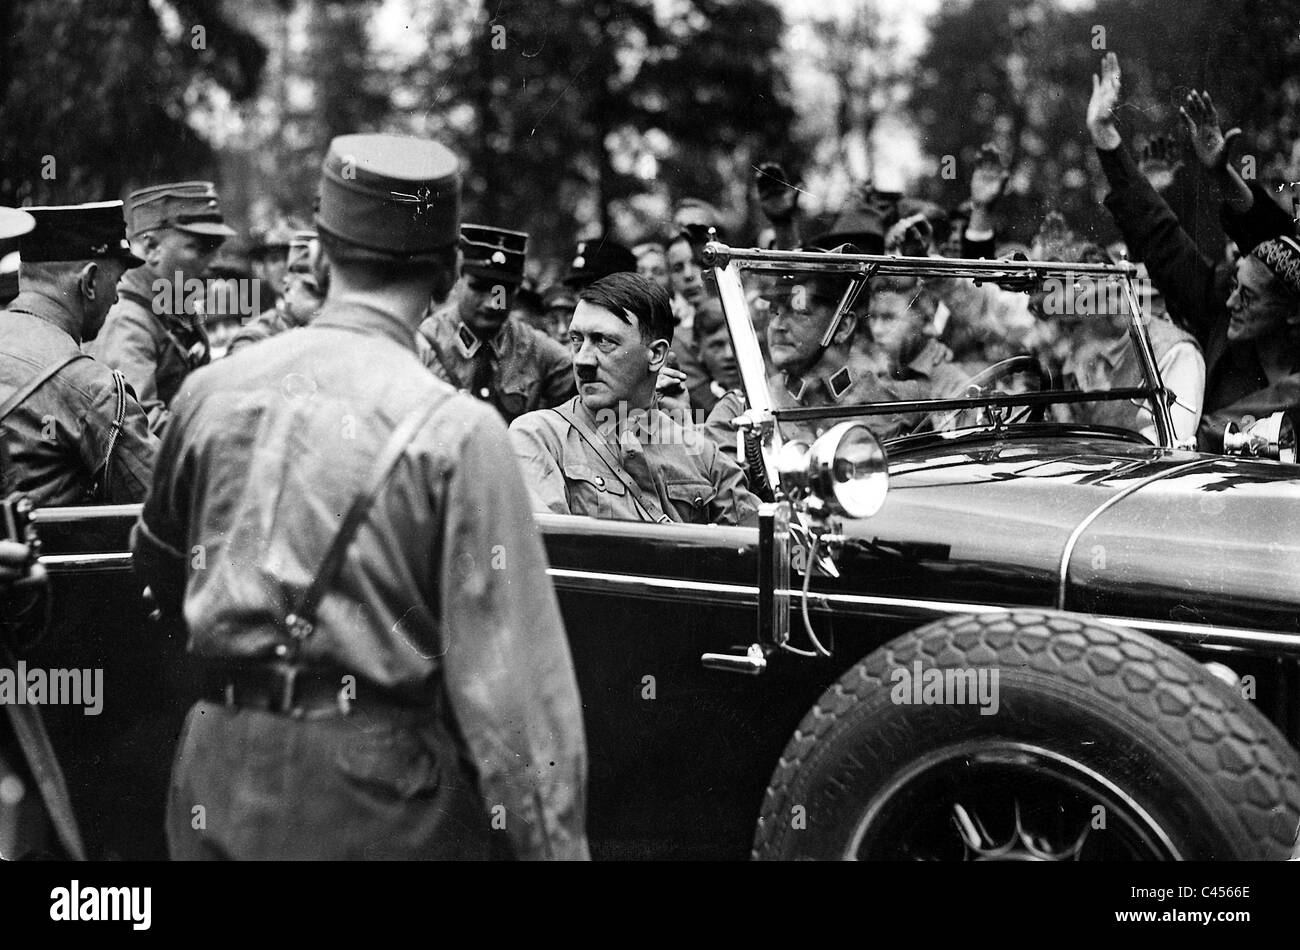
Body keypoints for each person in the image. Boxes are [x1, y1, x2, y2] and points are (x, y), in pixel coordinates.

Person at [133, 133, 588, 861]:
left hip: (217, 763)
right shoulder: (461, 433)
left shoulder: (209, 393)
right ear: (446, 273)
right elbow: (517, 705)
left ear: (322, 245)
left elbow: (155, 563)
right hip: (375, 787)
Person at [1087, 53, 1298, 451]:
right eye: (1236, 285)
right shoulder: (1220, 318)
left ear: (1290, 312)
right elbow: (1162, 238)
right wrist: (1107, 141)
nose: (1231, 299)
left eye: (1249, 296)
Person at [510, 272, 759, 526]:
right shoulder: (540, 438)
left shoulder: (703, 455)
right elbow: (551, 547)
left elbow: (758, 545)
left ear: (656, 355)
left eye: (604, 341)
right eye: (577, 340)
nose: (582, 360)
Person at [0, 202, 157, 508]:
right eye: (118, 281)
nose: (115, 297)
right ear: (89, 281)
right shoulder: (93, 389)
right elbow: (162, 504)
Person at [705, 263, 924, 475]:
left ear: (843, 327)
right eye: (774, 312)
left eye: (799, 312)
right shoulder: (742, 410)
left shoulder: (897, 404)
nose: (777, 326)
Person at [88, 181, 236, 434]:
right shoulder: (128, 319)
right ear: (151, 247)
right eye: (200, 249)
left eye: (217, 249)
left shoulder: (174, 306)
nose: (217, 263)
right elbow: (140, 427)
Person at [416, 224, 575, 422]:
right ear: (458, 281)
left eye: (502, 291)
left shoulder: (534, 346)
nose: (492, 303)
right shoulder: (425, 342)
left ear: (516, 291)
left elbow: (579, 384)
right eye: (480, 288)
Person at [225, 230, 330, 355]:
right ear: (263, 269)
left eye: (288, 258)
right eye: (274, 260)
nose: (283, 268)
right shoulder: (254, 316)